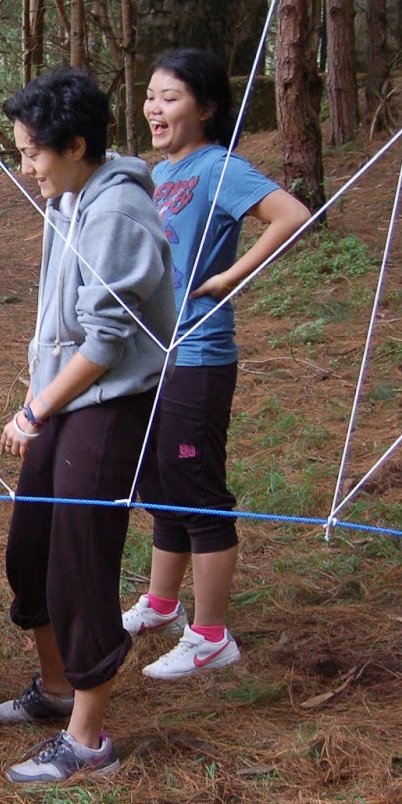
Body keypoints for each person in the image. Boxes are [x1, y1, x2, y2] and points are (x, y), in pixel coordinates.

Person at [0, 66, 174, 783]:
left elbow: (106, 342)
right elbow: (57, 326)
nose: (26, 165)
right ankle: (56, 686)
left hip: (112, 401)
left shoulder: (118, 211)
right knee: (30, 549)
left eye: (33, 151)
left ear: (77, 144)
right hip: (65, 397)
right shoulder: (68, 198)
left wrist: (36, 408)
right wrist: (40, 395)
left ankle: (89, 740)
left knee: (79, 560)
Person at [122, 48, 311, 679]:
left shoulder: (217, 166)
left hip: (197, 357)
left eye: (170, 97)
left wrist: (227, 277)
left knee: (197, 489)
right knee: (160, 485)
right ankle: (161, 602)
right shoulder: (156, 172)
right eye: (151, 95)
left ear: (205, 108)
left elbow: (292, 215)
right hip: (153, 355)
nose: (155, 107)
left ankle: (210, 636)